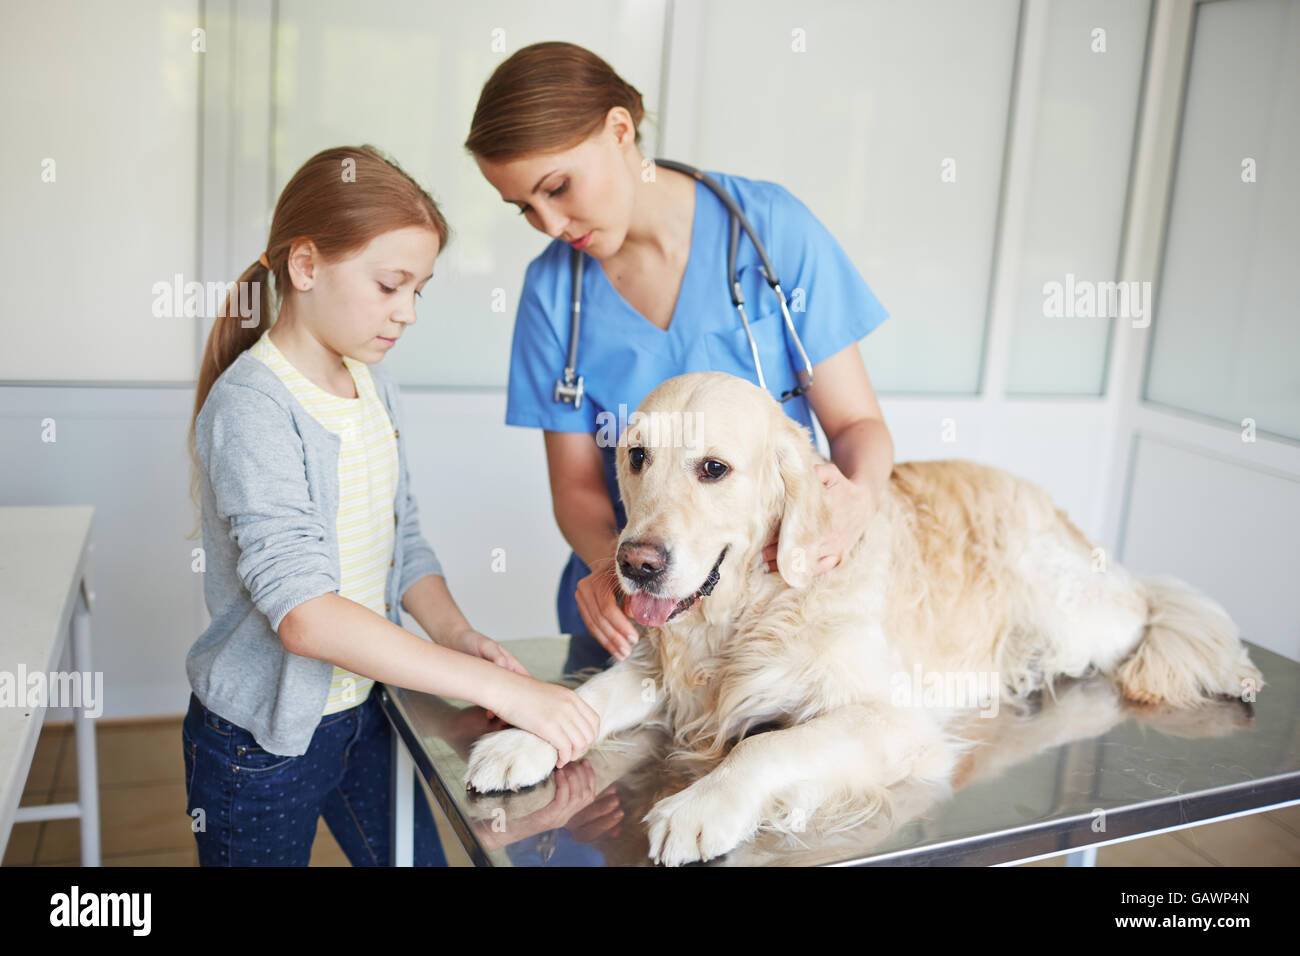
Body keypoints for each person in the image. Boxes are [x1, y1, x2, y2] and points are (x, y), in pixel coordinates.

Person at [182, 144, 598, 866]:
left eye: (419, 290)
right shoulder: (253, 407)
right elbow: (306, 617)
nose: (406, 312)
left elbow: (402, 545)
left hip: (368, 713)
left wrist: (458, 636)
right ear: (305, 266)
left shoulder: (373, 386)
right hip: (261, 744)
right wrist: (501, 688)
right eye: (389, 285)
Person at [465, 42, 896, 677]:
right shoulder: (554, 292)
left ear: (619, 130)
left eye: (557, 188)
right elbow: (577, 486)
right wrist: (601, 561)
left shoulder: (774, 232)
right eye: (525, 207)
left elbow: (858, 427)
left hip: (770, 600)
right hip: (630, 602)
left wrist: (859, 498)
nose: (550, 223)